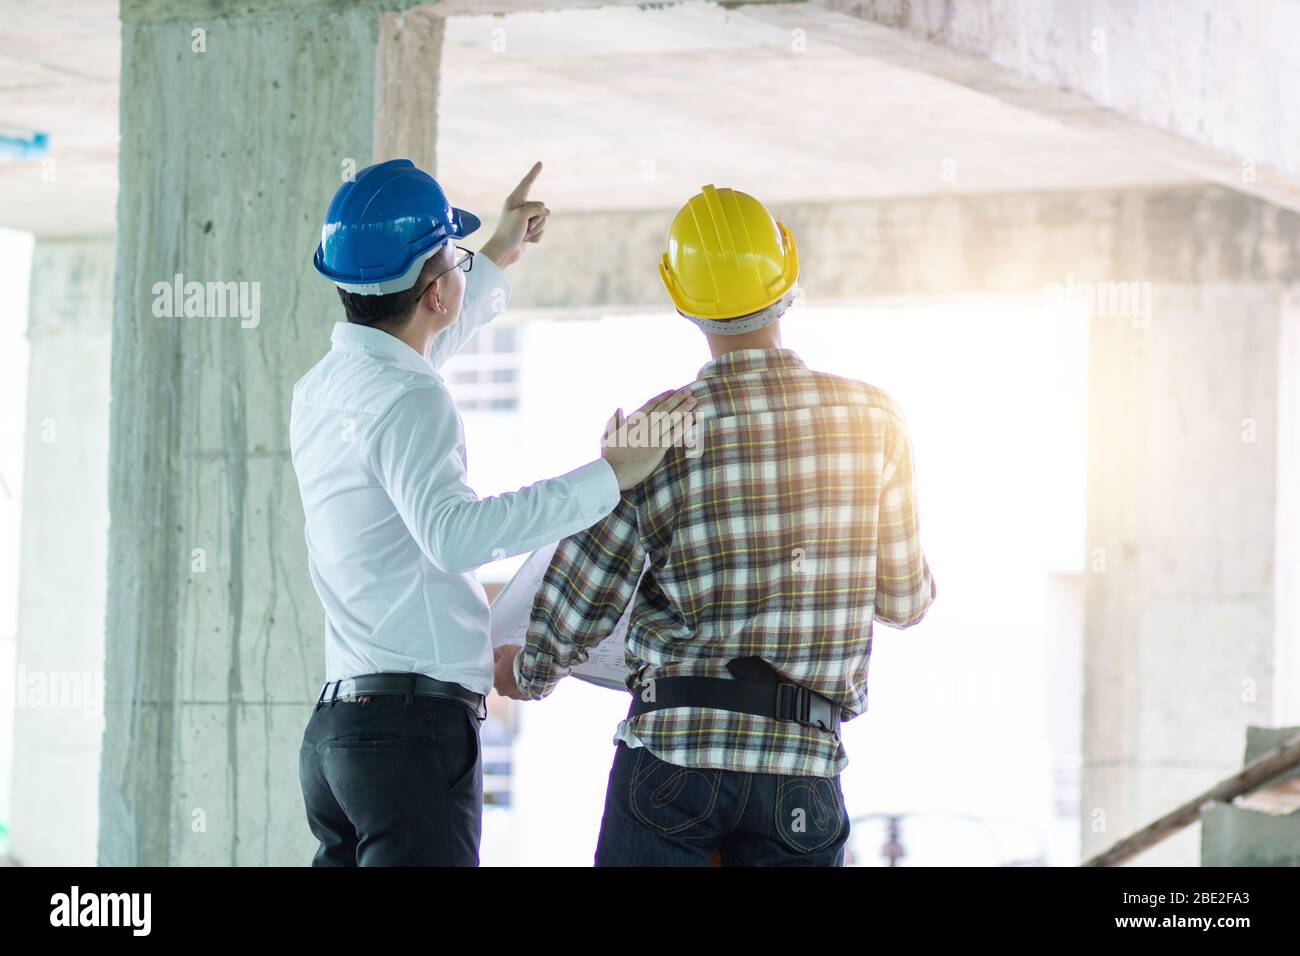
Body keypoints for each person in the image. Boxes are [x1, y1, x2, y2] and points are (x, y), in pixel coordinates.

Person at [494, 185, 935, 866]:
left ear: (683, 299)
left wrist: (528, 671)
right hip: (803, 773)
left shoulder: (658, 429)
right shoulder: (875, 421)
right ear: (786, 275)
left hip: (676, 762)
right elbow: (905, 604)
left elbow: (585, 595)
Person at [291, 158, 695, 866]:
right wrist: (607, 477)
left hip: (340, 740)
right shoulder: (410, 400)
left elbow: (425, 341)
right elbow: (454, 536)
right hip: (410, 739)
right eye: (456, 259)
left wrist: (501, 251)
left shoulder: (327, 386)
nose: (462, 269)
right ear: (436, 292)